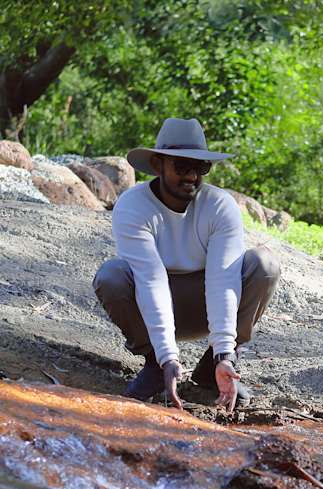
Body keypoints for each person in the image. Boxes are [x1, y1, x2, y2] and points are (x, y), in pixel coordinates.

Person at [93, 117, 281, 411]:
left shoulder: (220, 206)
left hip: (206, 302)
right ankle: (155, 366)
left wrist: (224, 353)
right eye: (182, 166)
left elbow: (223, 280)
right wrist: (167, 355)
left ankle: (213, 368)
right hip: (151, 303)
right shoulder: (133, 205)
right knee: (111, 275)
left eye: (200, 167)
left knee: (264, 264)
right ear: (158, 165)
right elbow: (150, 279)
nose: (192, 176)